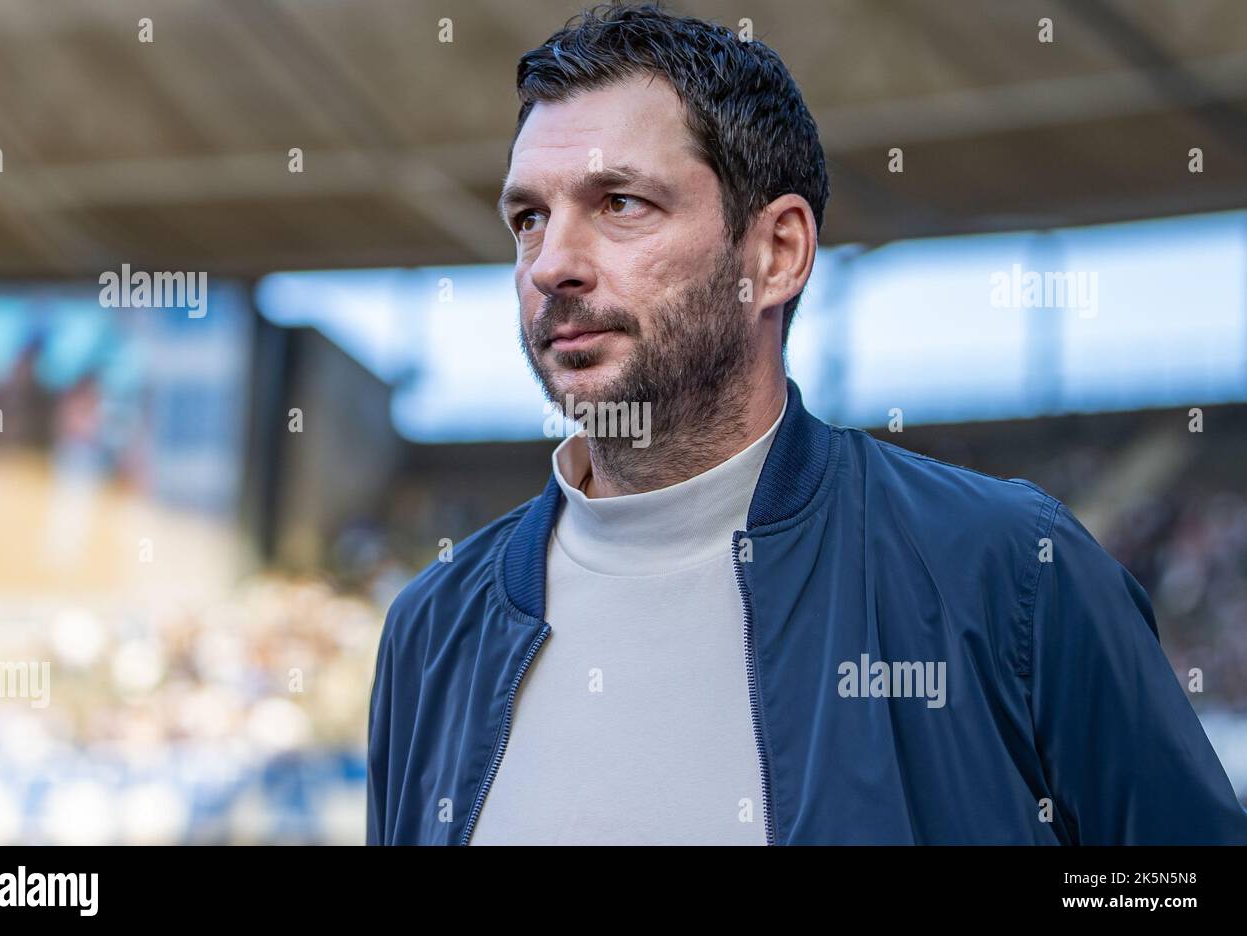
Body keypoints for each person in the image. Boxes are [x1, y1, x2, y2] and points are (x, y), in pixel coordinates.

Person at [366, 3, 1247, 845]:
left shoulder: (1011, 574)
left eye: (620, 203)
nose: (552, 262)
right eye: (529, 218)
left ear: (776, 253)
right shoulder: (432, 630)